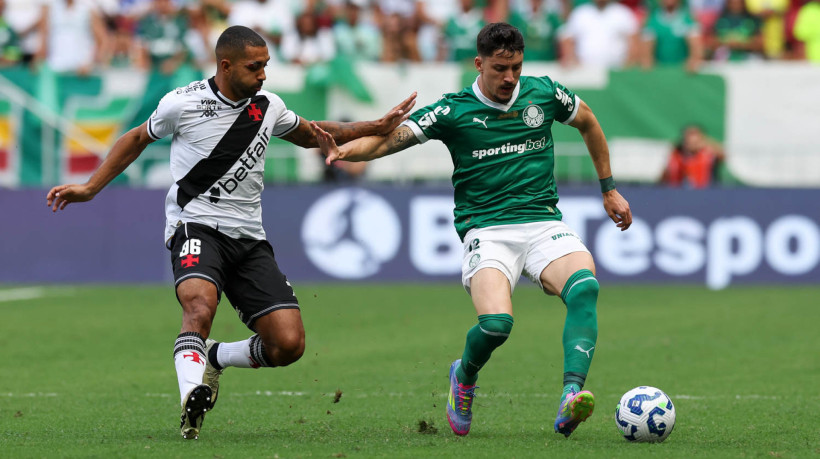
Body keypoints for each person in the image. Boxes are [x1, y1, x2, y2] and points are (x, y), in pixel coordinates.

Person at [46, 25, 416, 440]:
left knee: (288, 344)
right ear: (225, 65)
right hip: (196, 225)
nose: (262, 75)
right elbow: (136, 138)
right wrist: (91, 187)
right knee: (199, 307)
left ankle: (216, 356)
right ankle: (192, 393)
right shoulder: (181, 103)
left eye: (265, 67)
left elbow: (313, 133)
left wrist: (376, 125)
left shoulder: (268, 106)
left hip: (249, 238)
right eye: (254, 67)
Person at [312, 22, 632, 437]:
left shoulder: (545, 93)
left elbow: (588, 122)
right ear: (479, 63)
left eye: (516, 66)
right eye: (500, 68)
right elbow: (391, 140)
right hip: (488, 231)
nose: (510, 77)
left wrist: (608, 189)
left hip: (542, 223)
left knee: (585, 288)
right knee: (497, 325)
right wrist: (344, 150)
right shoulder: (453, 111)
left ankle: (571, 396)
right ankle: (463, 377)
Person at [662, 124, 725, 188]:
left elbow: (722, 154)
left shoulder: (708, 153)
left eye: (694, 134)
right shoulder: (676, 153)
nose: (690, 139)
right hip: (678, 191)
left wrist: (708, 143)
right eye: (688, 135)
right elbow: (666, 174)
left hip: (704, 191)